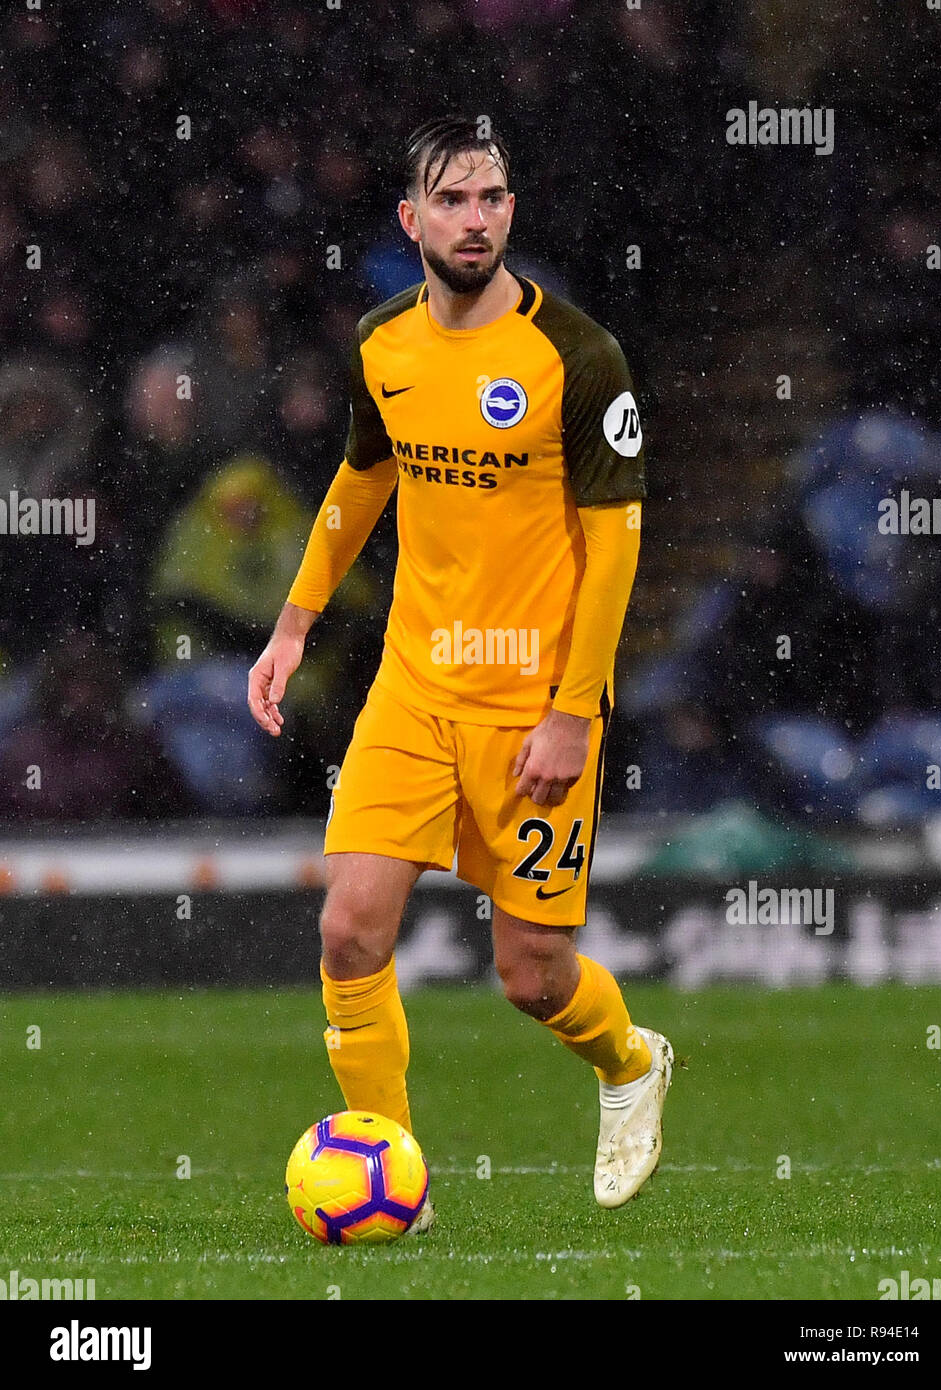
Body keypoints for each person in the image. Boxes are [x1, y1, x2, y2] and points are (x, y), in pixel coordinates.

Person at [247, 116, 672, 1229]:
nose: (475, 219)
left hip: (537, 703)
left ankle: (628, 1061)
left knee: (532, 977)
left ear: (511, 212)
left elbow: (618, 548)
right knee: (348, 929)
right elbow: (361, 477)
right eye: (453, 200)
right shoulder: (383, 342)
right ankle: (398, 1178)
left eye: (492, 198)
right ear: (412, 220)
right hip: (415, 687)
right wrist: (295, 623)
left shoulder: (578, 358)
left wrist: (575, 714)